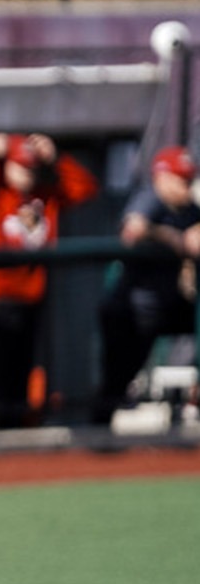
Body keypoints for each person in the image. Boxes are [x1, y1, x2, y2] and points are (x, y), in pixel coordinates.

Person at [0, 132, 97, 428]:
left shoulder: (44, 198)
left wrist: (57, 158)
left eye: (31, 168)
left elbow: (85, 188)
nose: (26, 173)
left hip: (30, 297)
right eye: (20, 166)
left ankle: (13, 428)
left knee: (20, 371)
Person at [95, 145, 199, 424]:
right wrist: (171, 237)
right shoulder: (150, 197)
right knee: (117, 380)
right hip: (130, 310)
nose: (187, 185)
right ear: (162, 178)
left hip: (166, 307)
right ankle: (94, 438)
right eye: (181, 179)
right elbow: (133, 230)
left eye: (189, 178)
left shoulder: (188, 209)